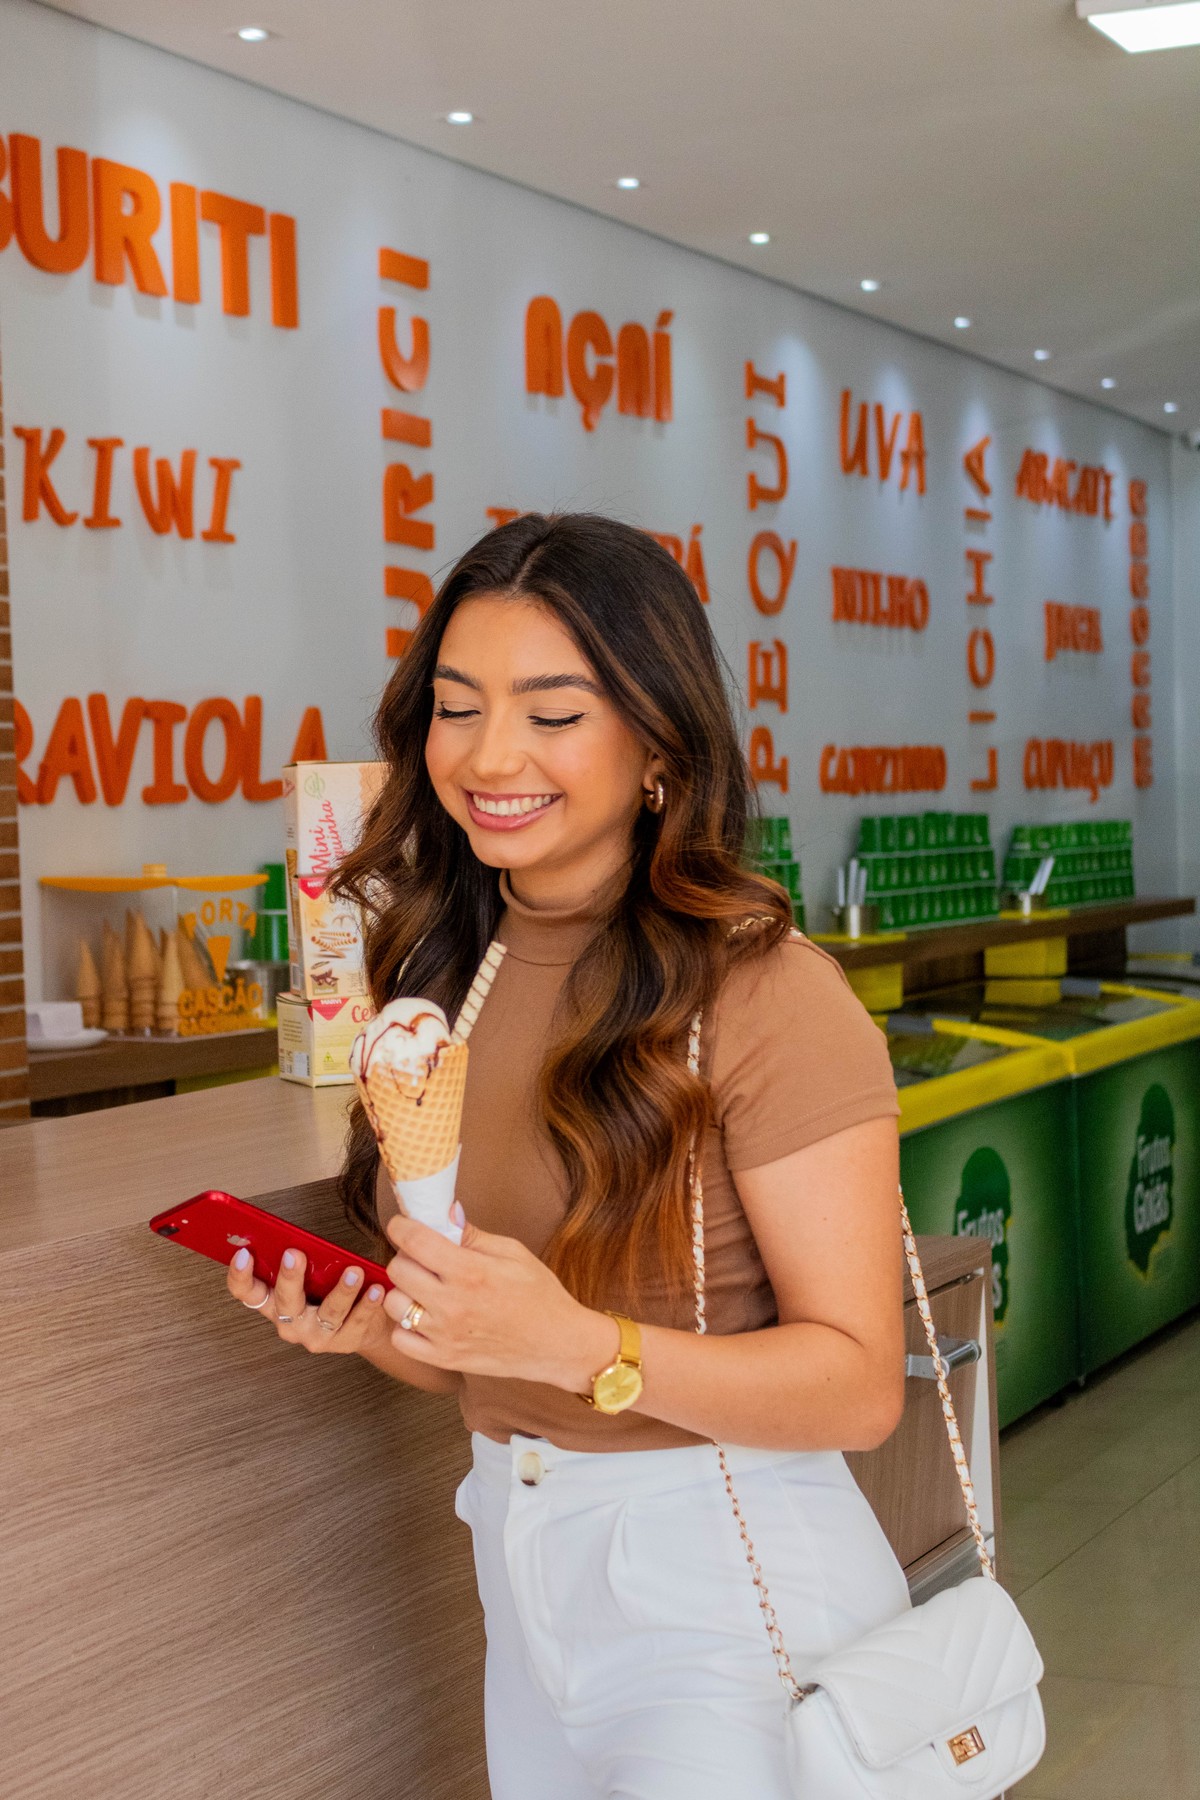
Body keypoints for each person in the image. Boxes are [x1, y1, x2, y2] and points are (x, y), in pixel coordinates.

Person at [227, 512, 912, 1798]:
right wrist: (369, 1327)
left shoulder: (766, 994)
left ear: (658, 742)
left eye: (553, 714)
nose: (491, 756)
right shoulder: (445, 975)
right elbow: (490, 1364)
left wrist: (576, 1344)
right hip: (518, 1558)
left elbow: (861, 1386)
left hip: (723, 1588)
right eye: (456, 706)